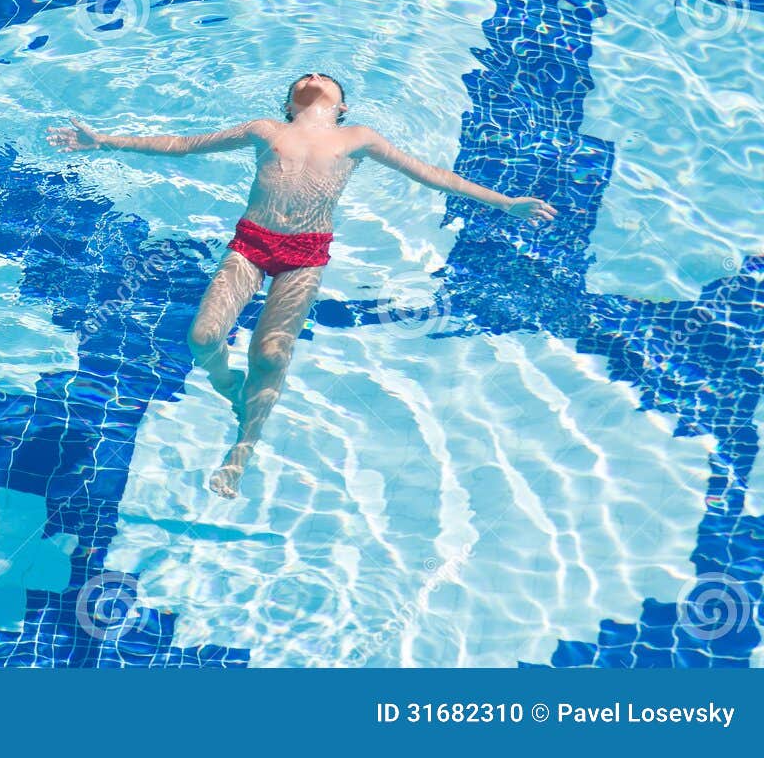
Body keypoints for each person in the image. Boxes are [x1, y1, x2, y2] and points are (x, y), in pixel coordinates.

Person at [46, 73, 557, 499]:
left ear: (341, 105)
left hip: (304, 255)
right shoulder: (265, 128)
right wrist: (105, 141)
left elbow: (430, 174)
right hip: (250, 243)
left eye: (323, 78)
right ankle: (229, 387)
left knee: (270, 354)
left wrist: (505, 203)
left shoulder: (358, 138)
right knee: (202, 338)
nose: (313, 77)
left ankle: (240, 451)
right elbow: (182, 145)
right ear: (291, 102)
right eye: (304, 79)